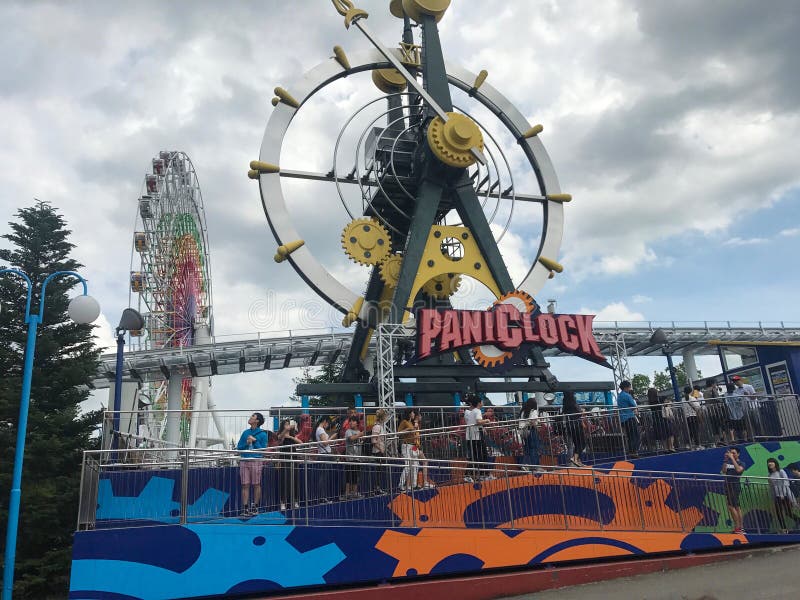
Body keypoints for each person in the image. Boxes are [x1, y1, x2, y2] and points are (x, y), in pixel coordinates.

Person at [236, 412, 268, 516]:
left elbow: (263, 450)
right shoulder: (245, 432)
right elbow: (239, 447)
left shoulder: (263, 434)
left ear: (257, 420)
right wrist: (247, 443)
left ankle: (255, 507)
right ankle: (245, 508)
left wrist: (255, 441)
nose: (250, 418)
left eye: (252, 417)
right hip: (245, 460)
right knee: (245, 484)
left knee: (256, 484)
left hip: (256, 460)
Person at [767, 458, 799, 533]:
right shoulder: (770, 475)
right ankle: (784, 529)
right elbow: (771, 487)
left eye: (771, 462)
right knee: (779, 513)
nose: (770, 464)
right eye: (768, 463)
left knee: (788, 512)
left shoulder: (781, 471)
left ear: (775, 463)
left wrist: (782, 494)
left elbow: (786, 482)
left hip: (784, 495)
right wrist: (773, 497)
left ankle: (798, 519)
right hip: (777, 496)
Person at [276, 419, 302, 511]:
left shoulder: (292, 435)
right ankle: (283, 502)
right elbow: (279, 439)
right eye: (286, 424)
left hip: (293, 459)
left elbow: (300, 443)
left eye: (288, 424)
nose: (288, 426)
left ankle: (295, 501)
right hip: (284, 460)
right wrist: (285, 432)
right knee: (284, 481)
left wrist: (290, 437)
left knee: (294, 480)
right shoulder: (280, 434)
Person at [464, 395, 490, 481]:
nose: (483, 403)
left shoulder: (471, 412)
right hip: (477, 437)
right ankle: (484, 474)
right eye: (482, 401)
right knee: (482, 455)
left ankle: (469, 475)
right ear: (479, 403)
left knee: (474, 456)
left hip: (471, 437)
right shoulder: (477, 411)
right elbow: (479, 421)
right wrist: (486, 420)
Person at [721, 447, 745, 533]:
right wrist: (726, 460)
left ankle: (738, 527)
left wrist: (732, 458)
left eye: (734, 453)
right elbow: (723, 471)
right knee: (736, 506)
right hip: (728, 485)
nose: (732, 454)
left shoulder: (741, 463)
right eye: (731, 452)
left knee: (732, 506)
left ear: (738, 454)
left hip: (735, 486)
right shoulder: (728, 462)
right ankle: (740, 527)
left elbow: (739, 470)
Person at [314, 416, 338, 503]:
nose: (328, 425)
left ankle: (322, 497)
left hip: (324, 455)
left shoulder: (319, 429)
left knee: (324, 477)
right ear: (324, 421)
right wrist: (333, 437)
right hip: (324, 455)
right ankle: (322, 498)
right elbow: (325, 443)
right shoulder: (320, 430)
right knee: (323, 477)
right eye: (328, 423)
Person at [561, 391, 587, 467]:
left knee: (576, 443)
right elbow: (579, 413)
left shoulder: (565, 404)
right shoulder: (573, 404)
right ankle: (575, 459)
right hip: (577, 425)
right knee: (582, 443)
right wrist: (582, 411)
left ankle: (577, 461)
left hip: (570, 427)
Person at [397, 409, 420, 491]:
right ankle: (401, 484)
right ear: (409, 413)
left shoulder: (411, 423)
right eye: (412, 412)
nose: (414, 414)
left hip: (413, 445)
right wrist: (408, 430)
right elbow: (398, 433)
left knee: (415, 465)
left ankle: (414, 484)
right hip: (406, 445)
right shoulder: (404, 422)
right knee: (407, 466)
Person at [518, 397, 543, 471]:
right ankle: (536, 466)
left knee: (527, 448)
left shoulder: (523, 411)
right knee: (534, 448)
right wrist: (537, 427)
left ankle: (526, 464)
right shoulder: (533, 411)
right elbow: (533, 421)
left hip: (524, 431)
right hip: (531, 430)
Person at [617, 381, 640, 458]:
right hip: (630, 417)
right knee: (635, 435)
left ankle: (631, 452)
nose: (630, 389)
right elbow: (634, 406)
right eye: (629, 387)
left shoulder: (619, 396)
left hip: (623, 418)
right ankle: (634, 452)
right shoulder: (627, 395)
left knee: (630, 436)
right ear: (626, 387)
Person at [344, 418, 365, 499]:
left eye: (353, 421)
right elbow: (351, 438)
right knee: (348, 476)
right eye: (350, 421)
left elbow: (361, 441)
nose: (351, 422)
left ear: (357, 423)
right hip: (350, 458)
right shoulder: (348, 431)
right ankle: (347, 493)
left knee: (356, 476)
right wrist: (360, 435)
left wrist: (362, 436)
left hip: (357, 458)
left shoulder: (359, 432)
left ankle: (354, 492)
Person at [648, 387, 675, 453]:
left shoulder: (650, 401)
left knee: (662, 435)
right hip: (664, 418)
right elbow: (669, 402)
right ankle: (671, 447)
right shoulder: (660, 398)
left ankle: (665, 449)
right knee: (670, 433)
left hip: (656, 419)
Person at [413, 413, 436, 488]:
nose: (421, 417)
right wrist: (417, 446)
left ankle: (419, 483)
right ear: (417, 416)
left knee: (417, 464)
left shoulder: (416, 424)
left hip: (415, 446)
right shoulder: (415, 424)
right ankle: (423, 482)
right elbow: (415, 437)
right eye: (420, 415)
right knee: (422, 462)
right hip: (415, 446)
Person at [369, 409, 389, 494]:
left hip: (380, 450)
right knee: (378, 471)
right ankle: (376, 489)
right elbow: (373, 440)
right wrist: (381, 449)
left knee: (379, 471)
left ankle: (378, 488)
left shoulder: (380, 426)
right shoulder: (377, 427)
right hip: (378, 451)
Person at [704, 379, 726, 446]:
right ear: (712, 383)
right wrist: (722, 401)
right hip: (717, 410)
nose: (716, 384)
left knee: (714, 427)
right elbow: (717, 399)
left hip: (710, 411)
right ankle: (722, 440)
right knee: (721, 425)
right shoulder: (713, 390)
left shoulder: (705, 392)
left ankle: (717, 441)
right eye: (715, 383)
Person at [681, 385, 703, 450]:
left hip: (686, 417)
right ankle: (698, 445)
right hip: (693, 416)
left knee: (689, 432)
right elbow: (698, 407)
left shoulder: (682, 399)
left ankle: (688, 445)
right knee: (695, 431)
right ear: (691, 391)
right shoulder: (692, 398)